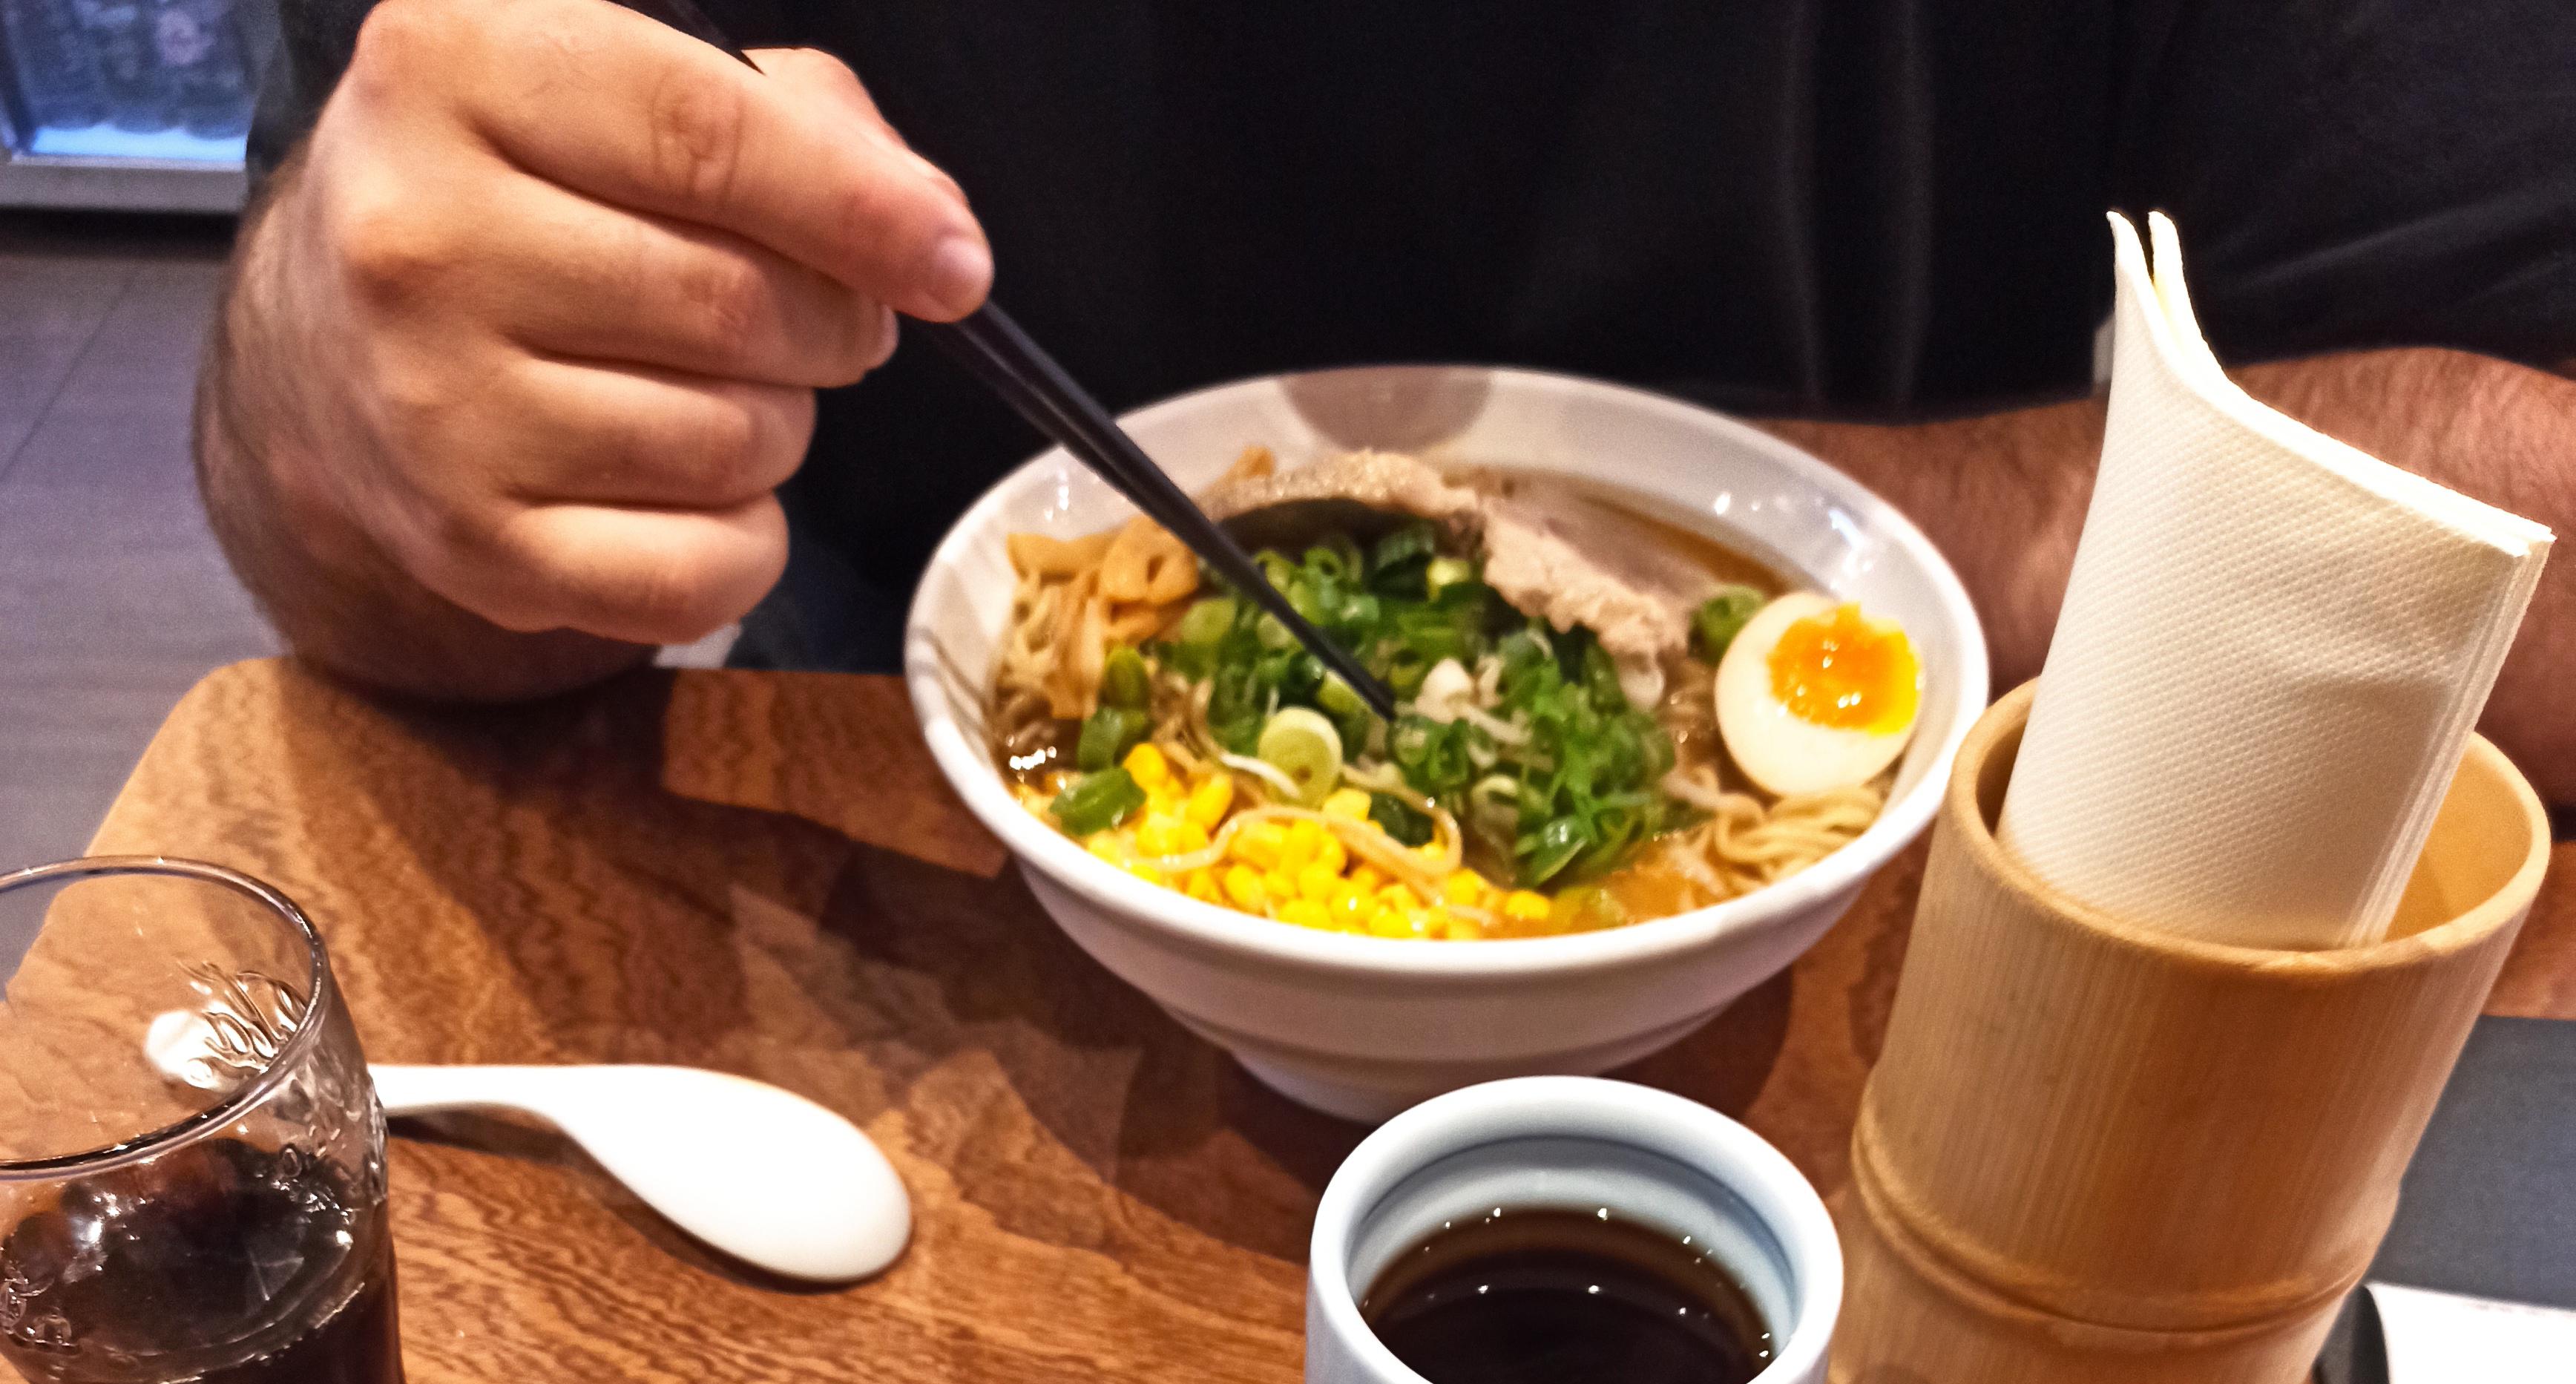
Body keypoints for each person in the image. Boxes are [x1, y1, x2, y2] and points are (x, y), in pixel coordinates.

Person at [199, 0, 2576, 796]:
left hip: (1939, 932)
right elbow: (360, 543)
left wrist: (1761, 567)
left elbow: (2535, 522)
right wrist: (350, 421)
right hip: (899, 877)